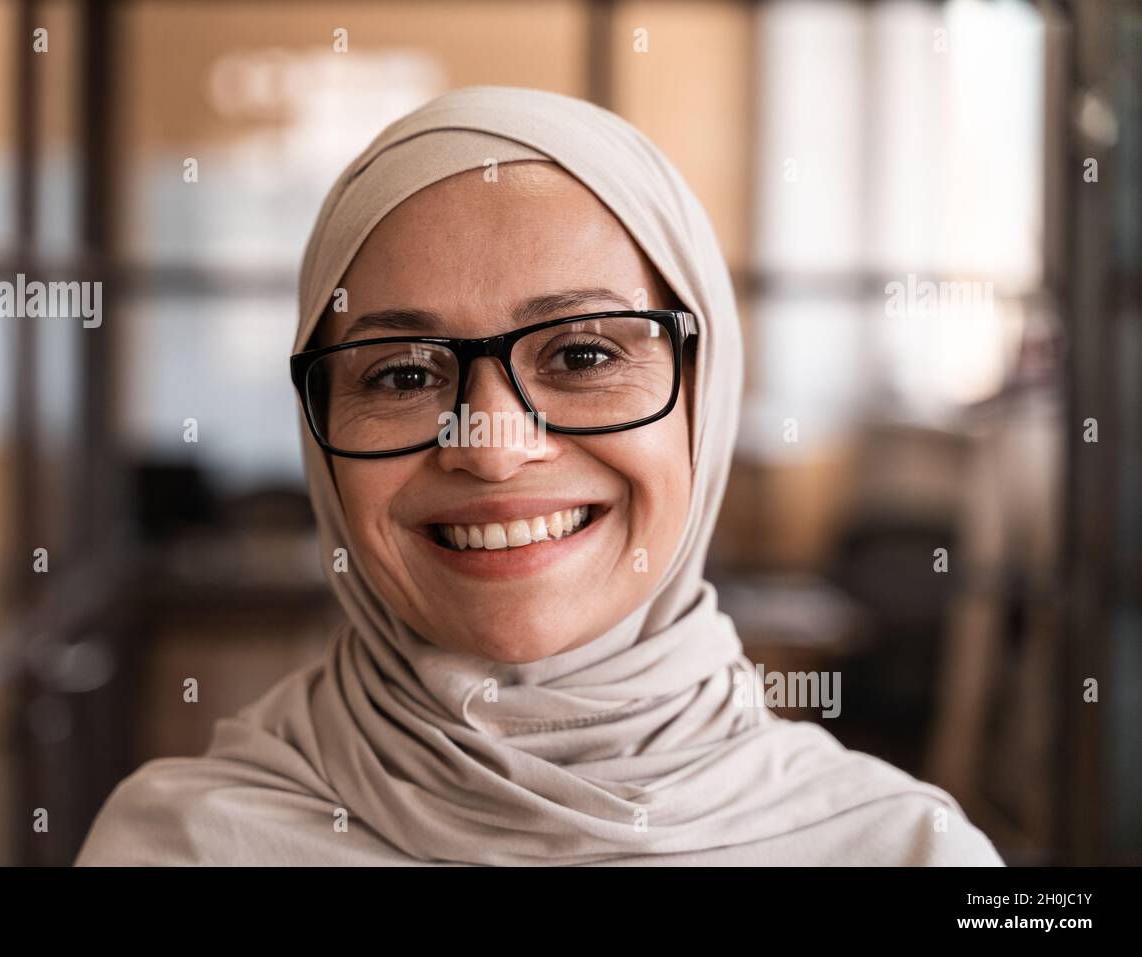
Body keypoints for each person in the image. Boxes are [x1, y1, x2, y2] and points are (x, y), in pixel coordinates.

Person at [75, 85, 1003, 866]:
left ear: (704, 397)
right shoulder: (182, 847)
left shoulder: (898, 850)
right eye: (402, 373)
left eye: (586, 354)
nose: (489, 442)